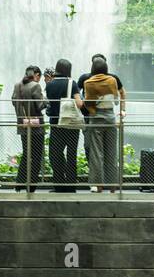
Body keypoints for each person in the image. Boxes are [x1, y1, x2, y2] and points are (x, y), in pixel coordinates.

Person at [81, 55, 124, 192]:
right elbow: (116, 100)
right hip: (110, 117)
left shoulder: (88, 82)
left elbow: (88, 103)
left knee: (96, 154)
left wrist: (93, 111)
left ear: (92, 67)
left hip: (96, 119)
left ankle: (98, 186)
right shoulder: (112, 80)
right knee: (111, 152)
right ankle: (113, 186)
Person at [44, 58, 84, 192]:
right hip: (71, 124)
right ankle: (71, 185)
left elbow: (49, 104)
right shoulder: (72, 83)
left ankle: (59, 185)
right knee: (71, 154)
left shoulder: (49, 84)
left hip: (56, 125)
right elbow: (79, 104)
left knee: (56, 154)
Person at [11, 65, 45, 192]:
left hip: (23, 125)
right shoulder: (35, 86)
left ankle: (19, 183)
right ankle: (31, 185)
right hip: (36, 126)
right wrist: (46, 100)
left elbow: (14, 101)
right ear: (36, 75)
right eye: (39, 77)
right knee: (36, 156)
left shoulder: (17, 85)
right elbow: (40, 105)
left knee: (26, 154)